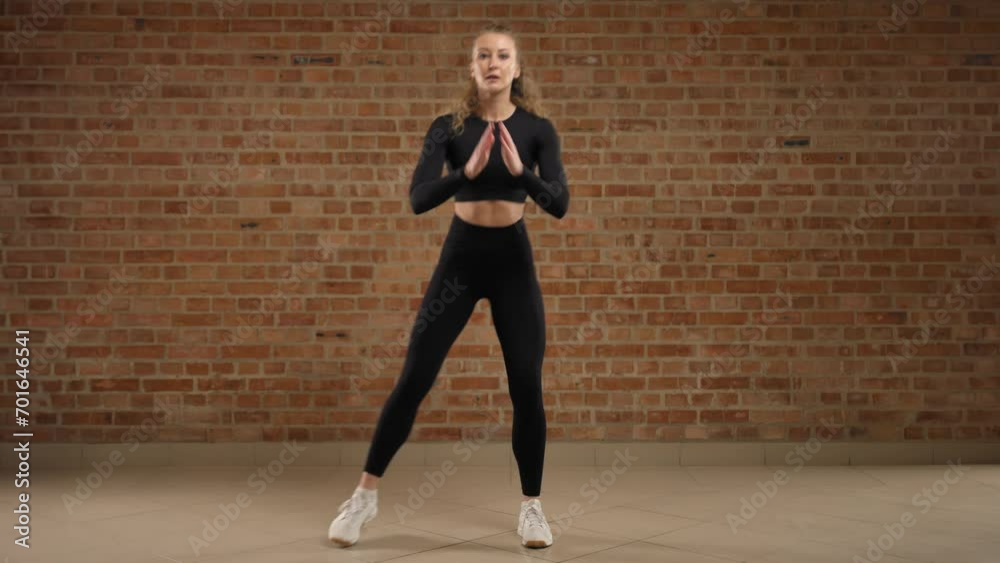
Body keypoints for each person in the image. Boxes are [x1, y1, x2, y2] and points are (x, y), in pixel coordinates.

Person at [328, 21, 569, 549]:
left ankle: (532, 507)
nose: (492, 63)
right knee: (415, 375)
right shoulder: (448, 127)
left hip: (512, 259)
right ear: (472, 66)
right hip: (461, 257)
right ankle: (364, 497)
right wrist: (467, 173)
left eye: (502, 55)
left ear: (516, 68)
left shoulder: (537, 130)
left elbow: (559, 204)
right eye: (483, 55)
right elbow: (418, 199)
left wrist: (519, 172)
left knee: (526, 382)